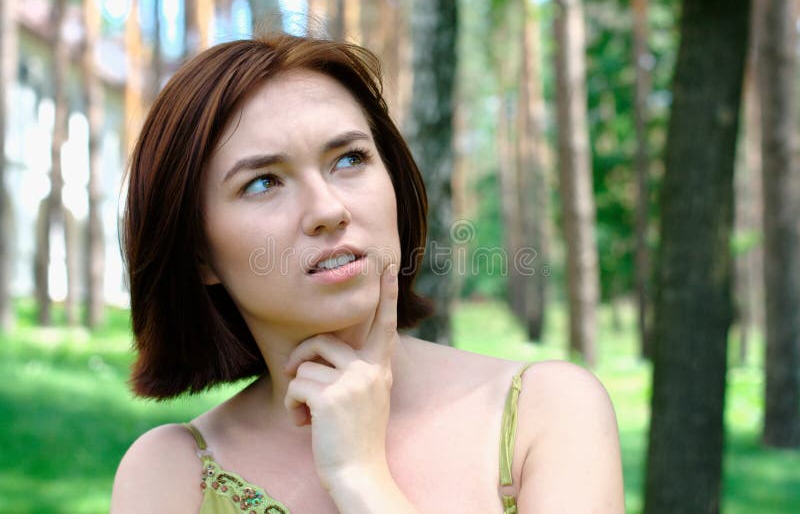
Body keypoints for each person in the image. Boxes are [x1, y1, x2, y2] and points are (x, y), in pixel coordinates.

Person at [110, 33, 624, 514]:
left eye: (349, 158)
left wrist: (361, 478)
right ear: (198, 254)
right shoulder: (172, 476)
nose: (327, 208)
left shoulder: (549, 412)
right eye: (264, 183)